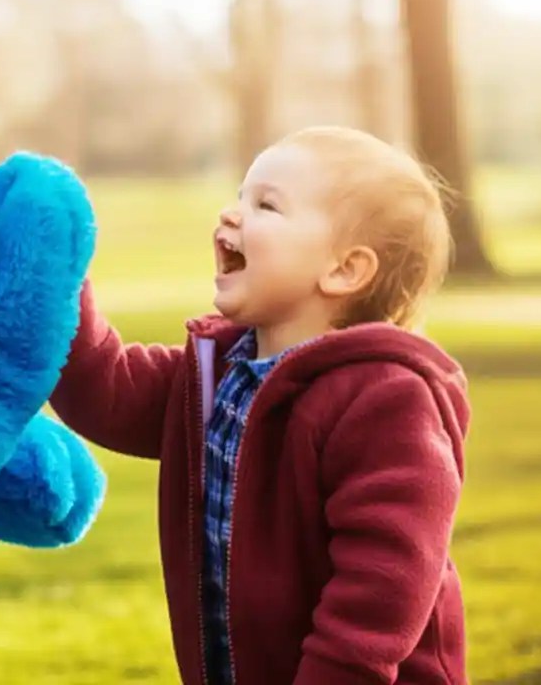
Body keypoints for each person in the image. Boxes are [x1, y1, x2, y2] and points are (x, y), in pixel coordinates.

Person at [51, 126, 470, 684]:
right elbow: (103, 389)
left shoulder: (387, 401)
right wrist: (57, 270)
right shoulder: (213, 373)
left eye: (267, 205)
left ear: (345, 269)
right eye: (240, 195)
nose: (231, 214)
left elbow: (382, 585)